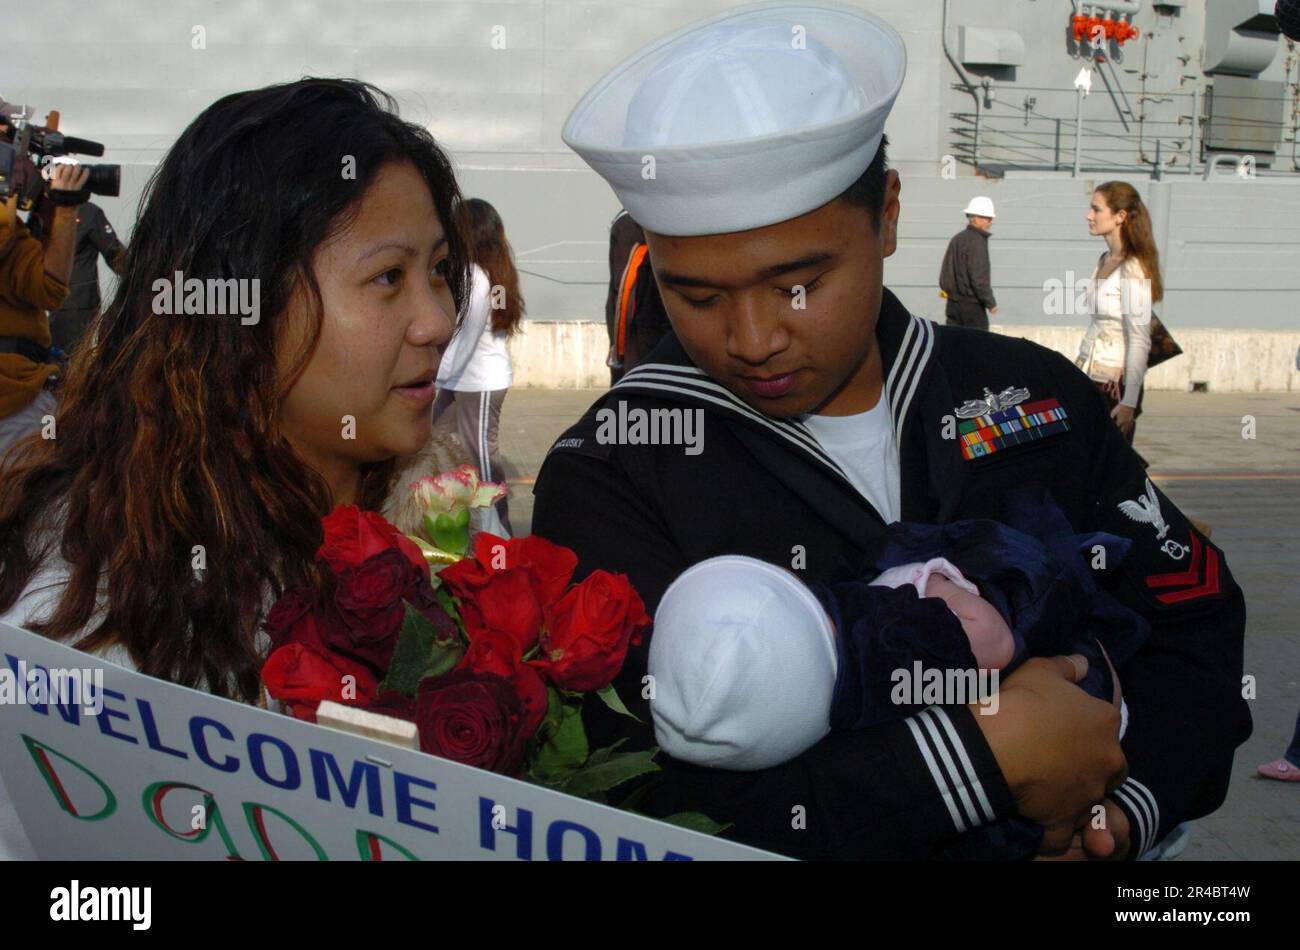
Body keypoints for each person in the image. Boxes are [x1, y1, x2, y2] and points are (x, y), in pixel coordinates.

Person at [534, 3, 1249, 861]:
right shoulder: (612, 470)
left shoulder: (1036, 398)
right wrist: (980, 760)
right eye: (698, 296)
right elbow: (633, 789)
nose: (754, 339)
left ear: (890, 214)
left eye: (800, 283)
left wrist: (1122, 810)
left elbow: (1195, 625)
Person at [0, 78, 472, 859]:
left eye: (441, 270)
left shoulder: (448, 518)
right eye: (389, 277)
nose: (439, 319)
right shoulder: (88, 617)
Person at [430, 197, 521, 534]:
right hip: (464, 381)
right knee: (435, 444)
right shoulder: (483, 273)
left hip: (478, 383)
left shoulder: (477, 278)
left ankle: (500, 534)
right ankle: (449, 520)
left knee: (483, 460)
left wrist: (435, 378)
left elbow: (463, 341)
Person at [0, 159, 91, 457]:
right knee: (39, 490)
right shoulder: (5, 233)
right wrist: (65, 207)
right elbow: (50, 288)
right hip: (14, 395)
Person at [1076, 181, 1159, 444]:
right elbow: (1099, 325)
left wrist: (1129, 403)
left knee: (1108, 471)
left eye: (1096, 209)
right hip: (1092, 377)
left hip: (1116, 386)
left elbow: (1140, 339)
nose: (1089, 216)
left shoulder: (1133, 268)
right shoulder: (1104, 260)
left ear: (1120, 216)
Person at [47, 199, 126, 354]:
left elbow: (116, 257)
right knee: (71, 362)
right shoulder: (88, 213)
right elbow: (115, 255)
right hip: (74, 306)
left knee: (59, 362)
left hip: (57, 304)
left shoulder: (46, 211)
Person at [938, 196, 998, 330]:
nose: (991, 222)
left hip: (952, 306)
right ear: (976, 218)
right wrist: (990, 303)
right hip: (973, 309)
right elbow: (979, 278)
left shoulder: (957, 239)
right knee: (978, 347)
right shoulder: (977, 243)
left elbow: (945, 275)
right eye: (988, 218)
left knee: (954, 346)